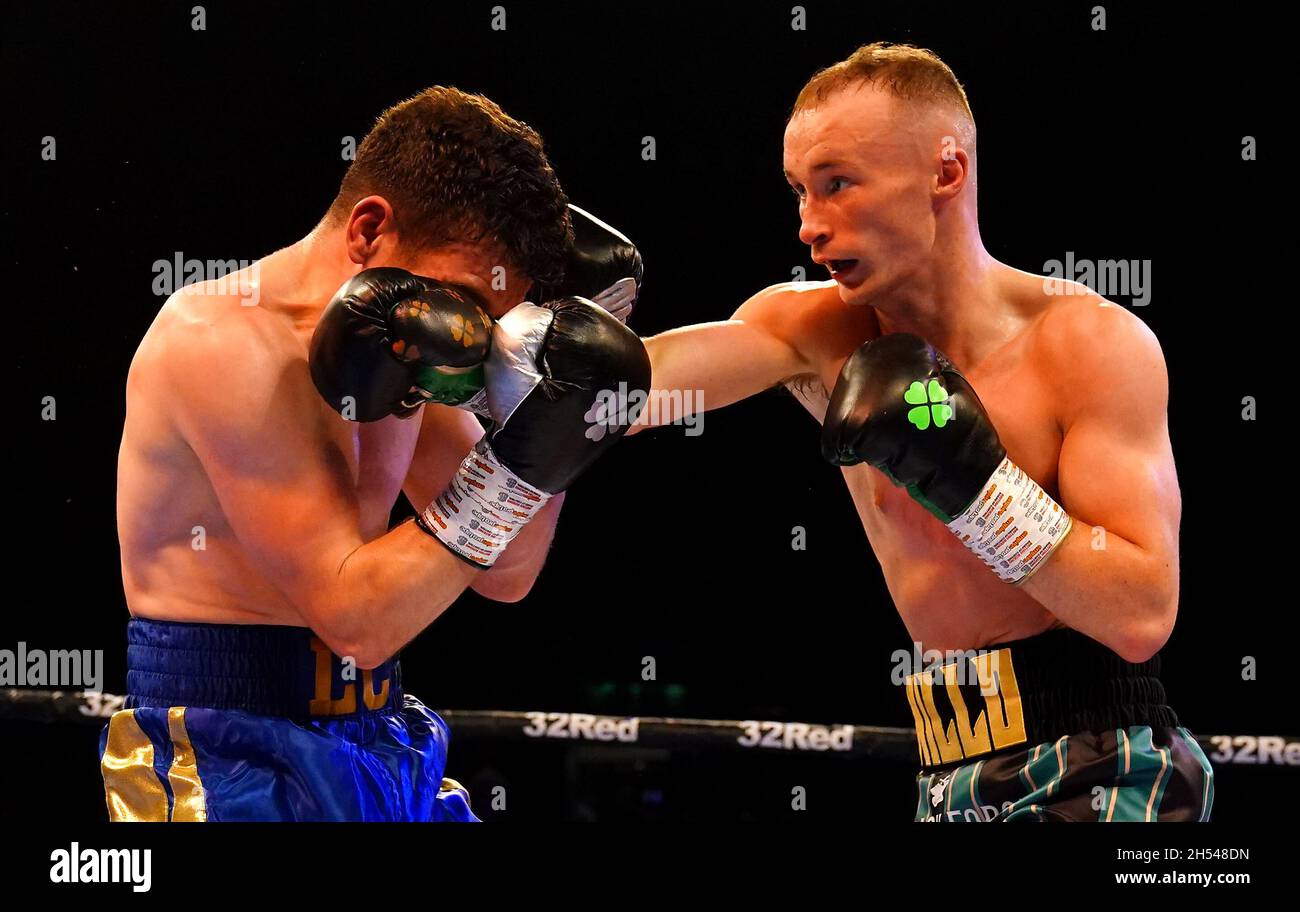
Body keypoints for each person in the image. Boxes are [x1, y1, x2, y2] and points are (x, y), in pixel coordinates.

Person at [636, 43, 1212, 821]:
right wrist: (499, 343)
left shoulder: (1089, 344)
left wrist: (975, 485)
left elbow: (1141, 614)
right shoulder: (813, 331)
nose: (808, 224)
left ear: (945, 173)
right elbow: (623, 393)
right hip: (946, 764)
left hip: (1103, 758)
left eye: (837, 184)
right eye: (799, 192)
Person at [102, 86, 648, 821]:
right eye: (457, 300)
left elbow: (508, 573)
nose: (463, 338)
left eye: (484, 320)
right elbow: (356, 619)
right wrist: (515, 469)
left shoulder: (396, 356)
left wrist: (544, 438)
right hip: (227, 755)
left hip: (382, 733)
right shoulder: (223, 342)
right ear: (369, 230)